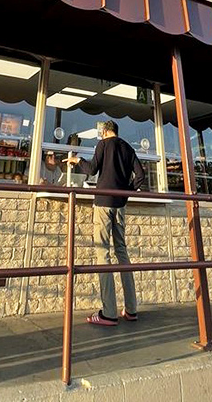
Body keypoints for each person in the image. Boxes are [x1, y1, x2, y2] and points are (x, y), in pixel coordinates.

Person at [70, 120, 145, 326]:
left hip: (103, 202)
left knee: (103, 252)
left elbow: (92, 170)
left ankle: (109, 313)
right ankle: (131, 309)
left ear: (104, 132)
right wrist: (125, 194)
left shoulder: (103, 144)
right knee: (122, 251)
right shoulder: (128, 148)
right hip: (120, 205)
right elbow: (141, 176)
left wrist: (77, 161)